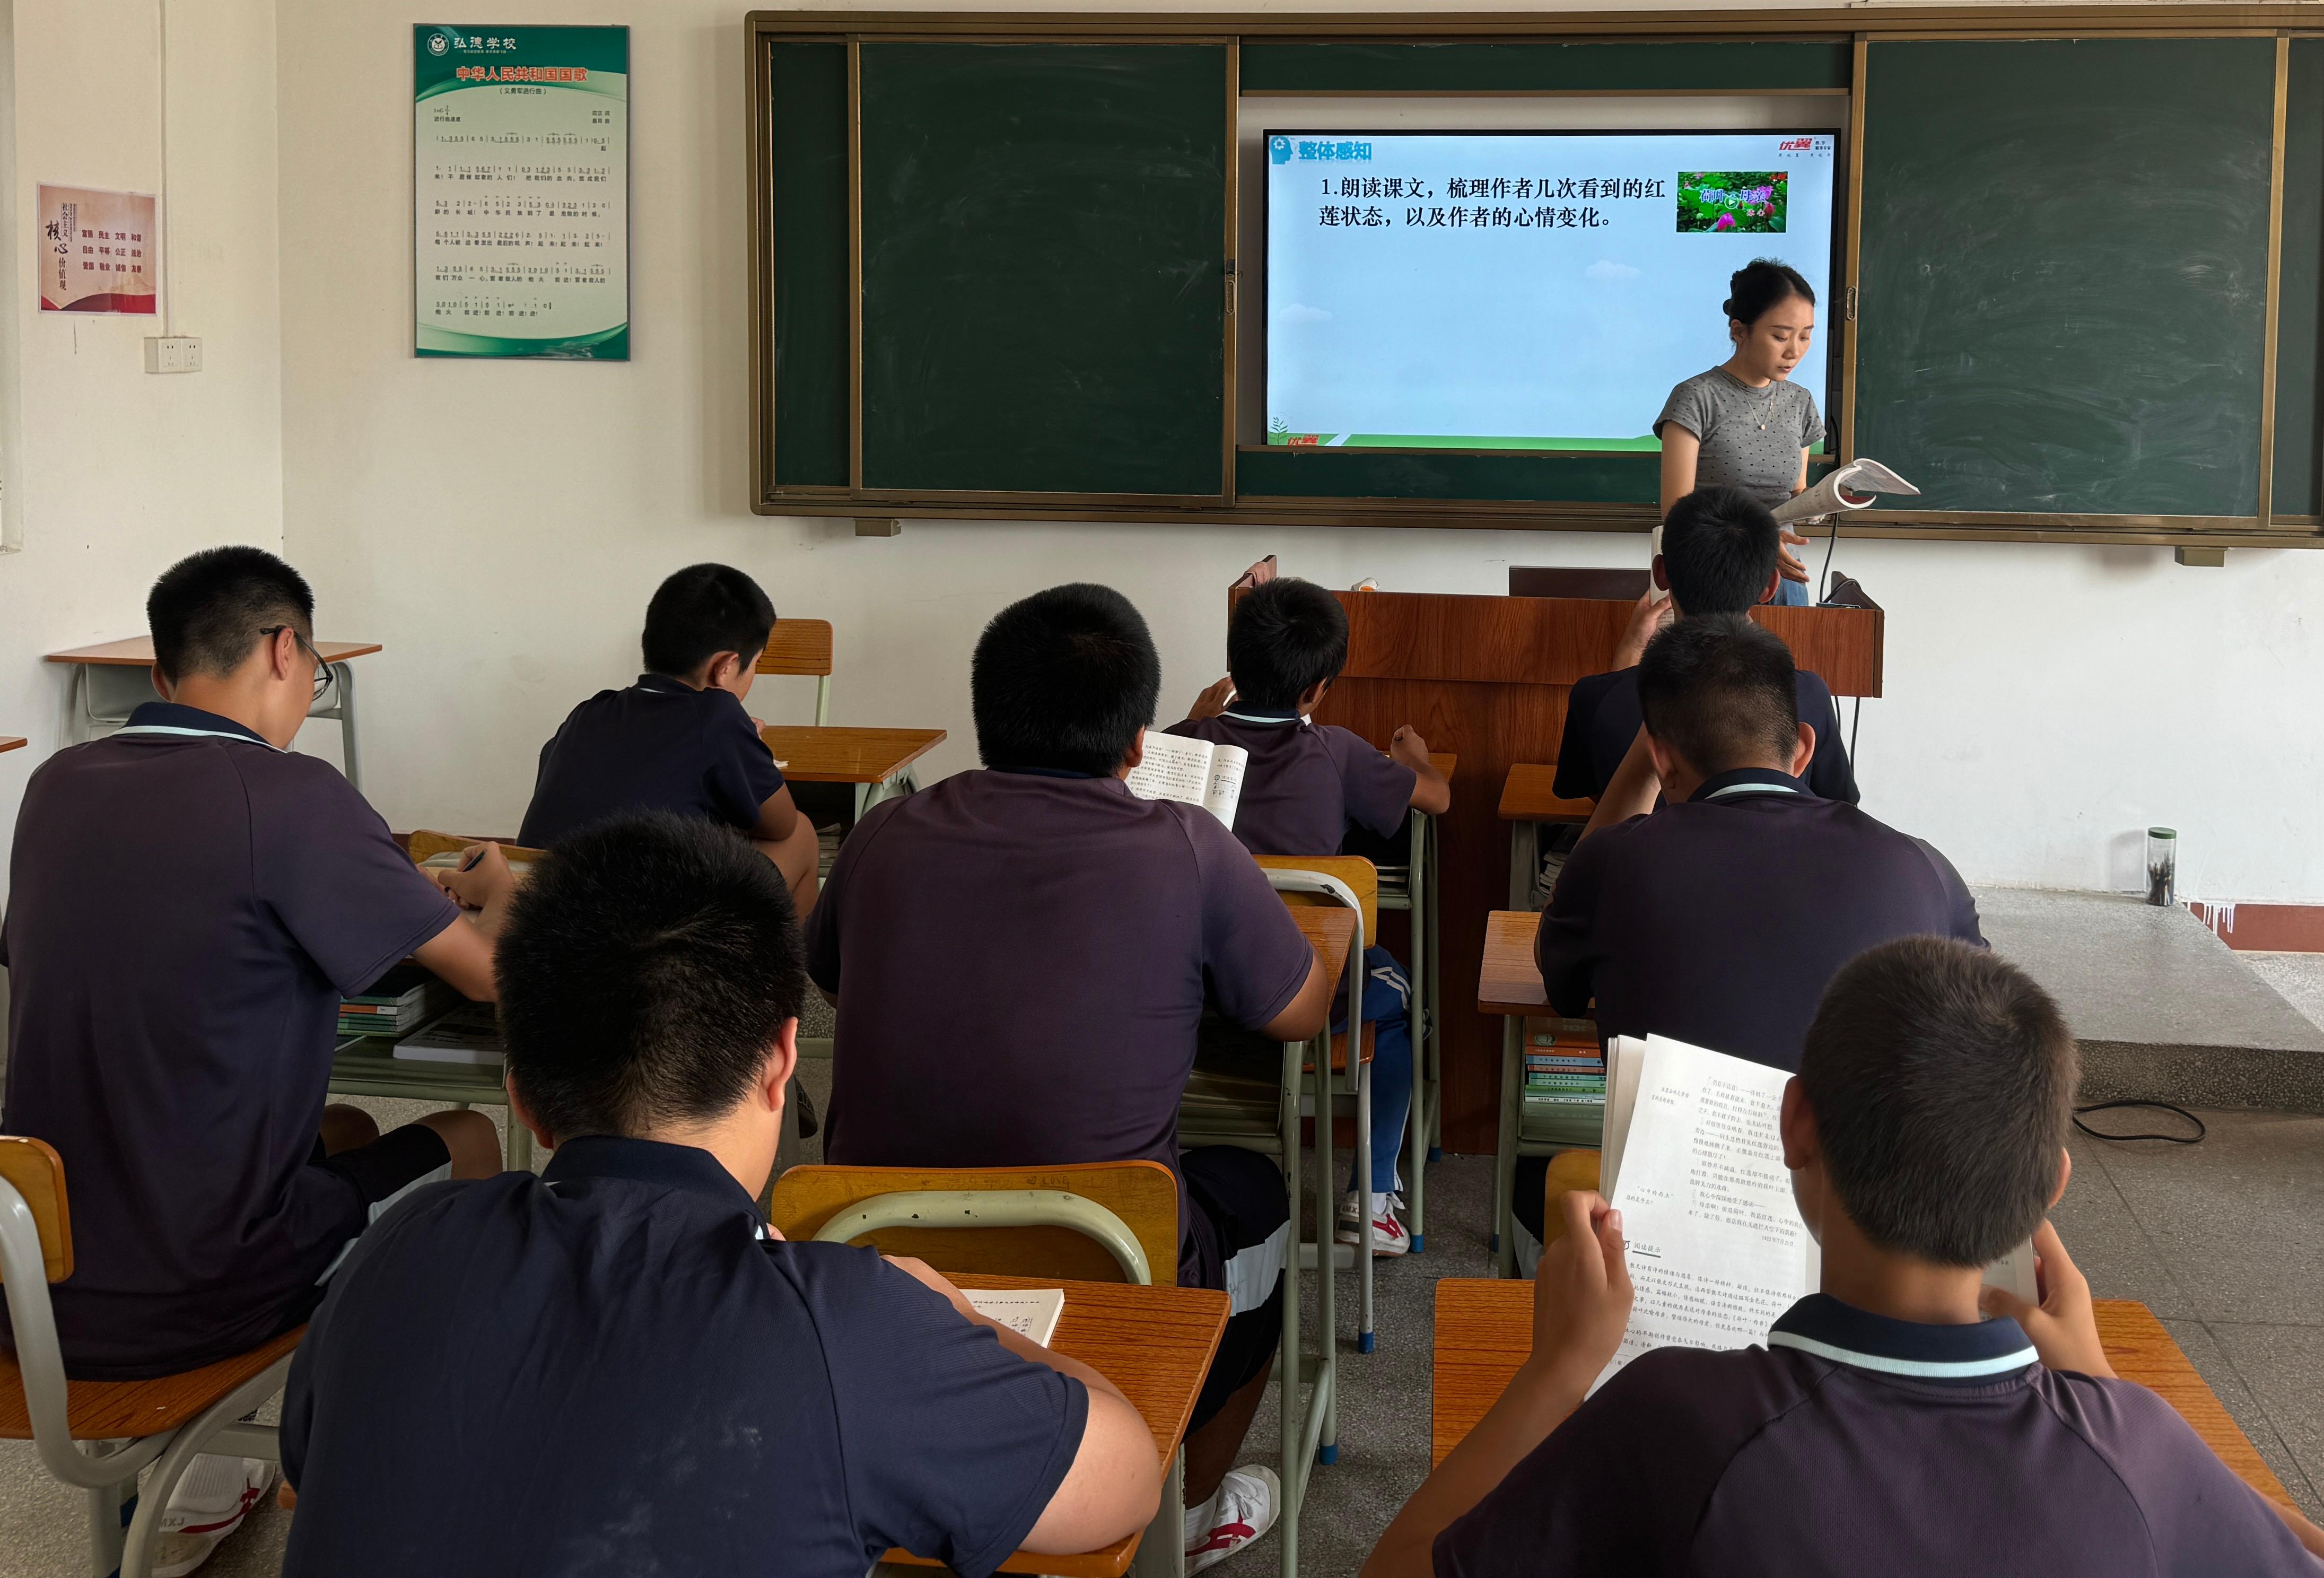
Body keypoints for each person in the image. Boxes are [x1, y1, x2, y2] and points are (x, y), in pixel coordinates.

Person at [278, 814, 1157, 1575]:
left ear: (524, 1099)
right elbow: (1125, 1478)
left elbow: (310, 1473)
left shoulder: (395, 1249)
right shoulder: (845, 1327)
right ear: (782, 1059)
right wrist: (960, 1317)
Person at [1365, 937, 2324, 1578]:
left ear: (1795, 1122)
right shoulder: (2136, 1450)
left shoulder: (1676, 1419)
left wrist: (1558, 1366)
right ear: (2051, 1187)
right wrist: (2107, 1389)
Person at [0, 546, 516, 1574]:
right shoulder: (293, 795)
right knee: (465, 1136)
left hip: (34, 1270)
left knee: (345, 1132)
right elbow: (492, 976)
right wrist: (496, 889)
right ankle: (421, 1460)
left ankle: (214, 1469)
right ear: (284, 650)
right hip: (190, 1283)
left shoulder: (57, 785)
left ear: (161, 674)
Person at [808, 583, 1339, 1573]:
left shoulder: (881, 832)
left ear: (985, 714)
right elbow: (1300, 1011)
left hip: (877, 1270)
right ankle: (1192, 1508)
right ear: (1140, 742)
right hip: (1114, 1278)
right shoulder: (1191, 846)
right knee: (1261, 1196)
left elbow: (835, 975)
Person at [1539, 614, 1980, 1071]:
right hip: (1863, 1119)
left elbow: (1561, 987)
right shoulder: (1926, 868)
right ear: (1803, 748)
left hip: (1671, 1119)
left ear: (1660, 761)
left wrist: (1640, 769)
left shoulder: (1611, 863)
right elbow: (1976, 1025)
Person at [1166, 573, 1452, 1258]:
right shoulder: (1339, 751)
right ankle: (1372, 1201)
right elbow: (1438, 799)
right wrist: (1417, 760)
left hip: (1187, 997)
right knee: (1400, 999)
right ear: (1317, 690)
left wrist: (1192, 719)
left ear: (1232, 668)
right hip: (1304, 993)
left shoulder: (1183, 743)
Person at [518, 561, 819, 915]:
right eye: (756, 665)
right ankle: (786, 953)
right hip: (647, 926)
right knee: (802, 834)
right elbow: (781, 825)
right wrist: (751, 749)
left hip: (540, 915)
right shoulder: (719, 715)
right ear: (725, 667)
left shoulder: (589, 711)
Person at [1551, 488, 1857, 808]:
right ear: (1769, 587)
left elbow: (1602, 800)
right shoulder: (1809, 693)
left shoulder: (1594, 696)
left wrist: (1628, 655)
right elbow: (1837, 802)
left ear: (1661, 574)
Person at [1655, 257, 1825, 604]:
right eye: (1780, 336)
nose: (1795, 351)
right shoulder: (1696, 397)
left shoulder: (1800, 401)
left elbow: (1796, 492)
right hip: (1712, 575)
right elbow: (1676, 514)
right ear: (1739, 331)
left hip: (1784, 574)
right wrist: (1759, 542)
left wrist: (1825, 500)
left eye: (1805, 336)